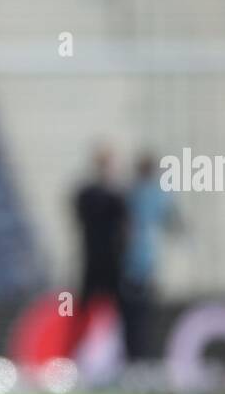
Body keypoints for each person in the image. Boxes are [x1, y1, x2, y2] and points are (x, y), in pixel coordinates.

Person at [121, 152, 181, 363]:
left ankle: (140, 358)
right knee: (133, 315)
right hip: (131, 264)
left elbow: (171, 221)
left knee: (142, 315)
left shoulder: (146, 193)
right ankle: (133, 358)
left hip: (144, 263)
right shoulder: (132, 193)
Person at [69, 145, 128, 359]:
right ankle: (75, 354)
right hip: (93, 261)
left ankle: (117, 358)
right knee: (81, 310)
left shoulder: (116, 195)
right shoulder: (90, 194)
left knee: (118, 312)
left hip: (112, 263)